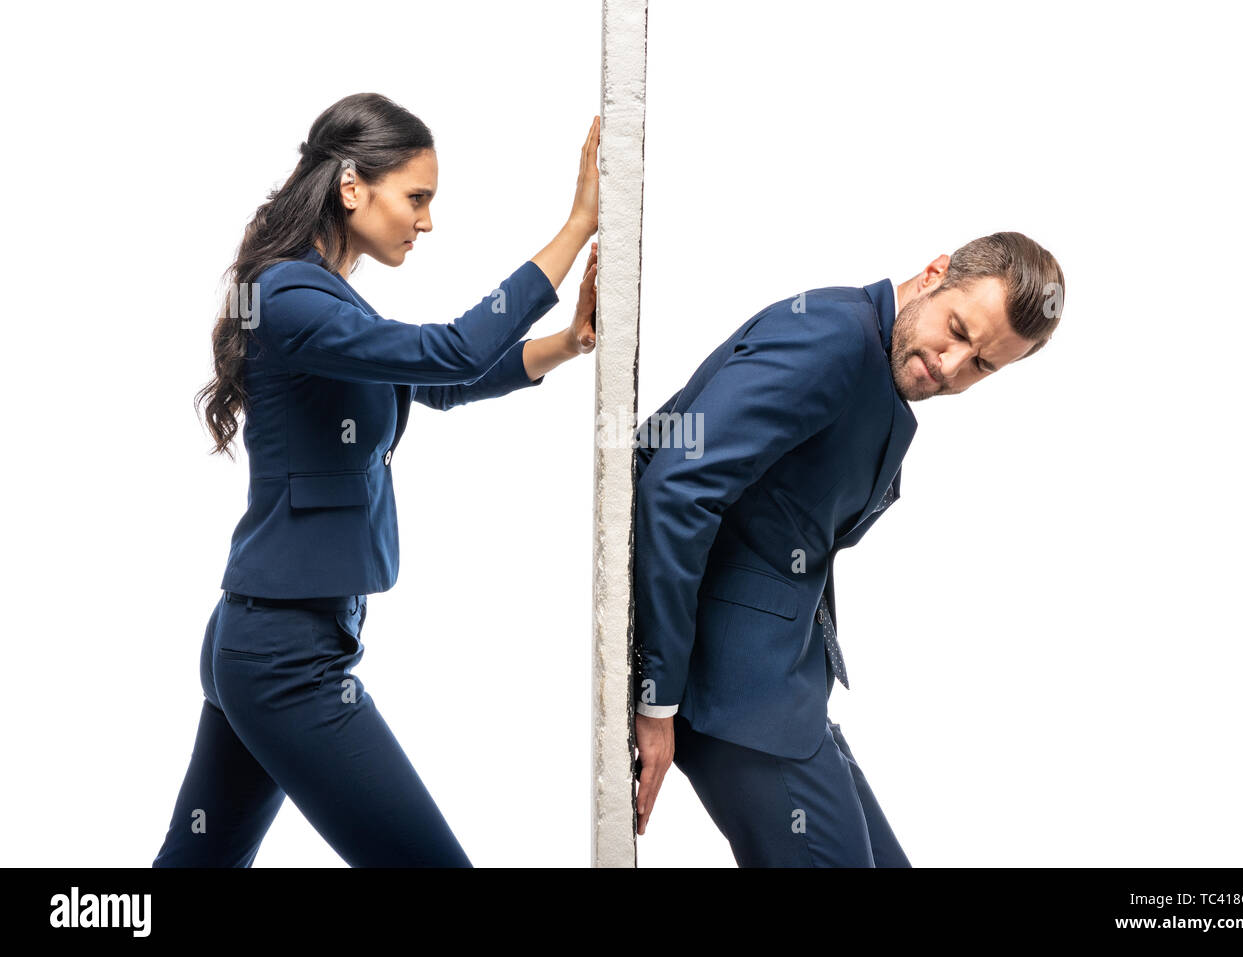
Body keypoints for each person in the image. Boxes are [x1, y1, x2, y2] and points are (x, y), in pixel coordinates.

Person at [153, 93, 600, 867]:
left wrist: (567, 341)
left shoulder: (325, 295)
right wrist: (576, 228)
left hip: (270, 639)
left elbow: (441, 382)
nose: (425, 222)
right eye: (416, 197)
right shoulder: (290, 296)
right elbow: (452, 352)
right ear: (351, 186)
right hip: (284, 658)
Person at [631, 231, 1065, 866]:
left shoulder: (871, 357)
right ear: (935, 272)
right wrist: (656, 699)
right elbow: (675, 486)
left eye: (983, 365)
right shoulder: (831, 339)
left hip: (787, 695)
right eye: (957, 330)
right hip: (731, 698)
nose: (951, 364)